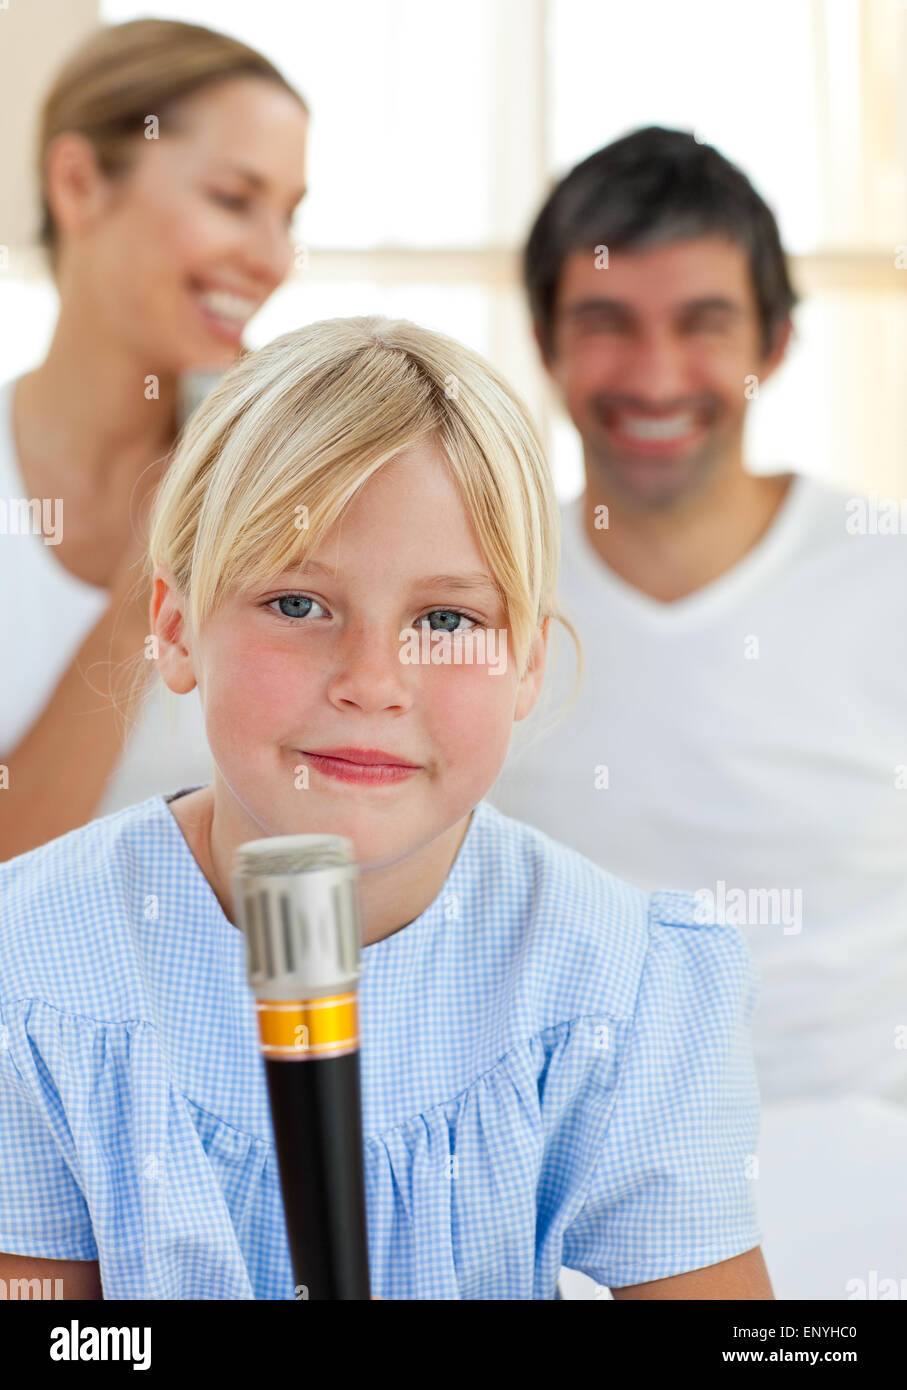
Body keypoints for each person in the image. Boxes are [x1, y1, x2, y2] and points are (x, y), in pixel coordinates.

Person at [0, 316, 772, 1300]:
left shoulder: (621, 982)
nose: (373, 681)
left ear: (526, 661)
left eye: (445, 618)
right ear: (176, 628)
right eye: (297, 603)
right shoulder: (30, 969)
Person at [486, 126, 907, 1297]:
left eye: (703, 324)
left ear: (773, 342)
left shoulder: (886, 577)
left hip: (868, 1180)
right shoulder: (471, 597)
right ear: (544, 345)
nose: (656, 375)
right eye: (607, 323)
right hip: (554, 1197)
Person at [0, 18, 309, 858]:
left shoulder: (275, 497)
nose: (274, 257)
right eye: (232, 201)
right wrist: (159, 541)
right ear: (78, 185)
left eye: (288, 215)